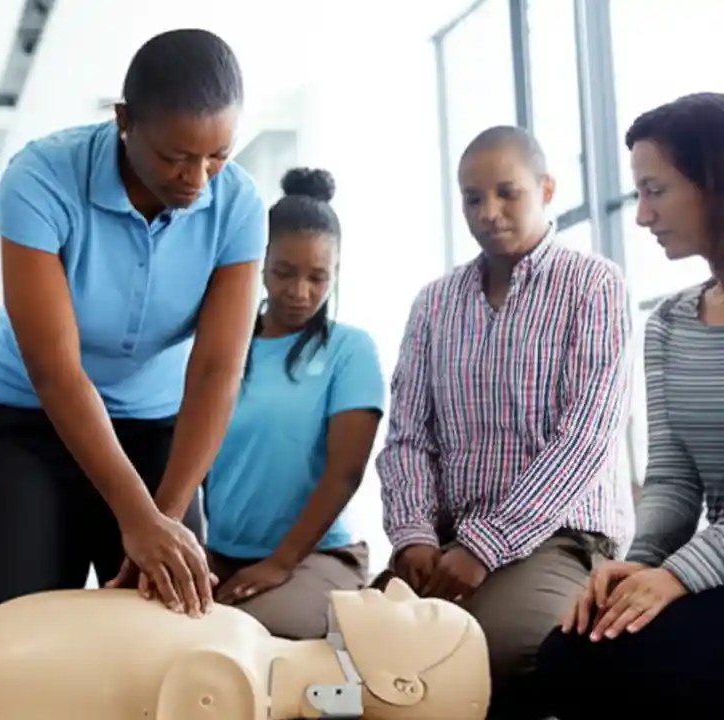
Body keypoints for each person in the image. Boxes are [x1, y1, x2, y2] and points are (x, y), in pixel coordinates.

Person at [0, 28, 266, 670]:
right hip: (25, 424)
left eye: (217, 157)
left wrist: (163, 520)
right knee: (9, 659)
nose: (197, 180)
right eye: (176, 157)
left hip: (156, 433)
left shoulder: (238, 205)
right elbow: (56, 370)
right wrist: (136, 516)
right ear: (125, 121)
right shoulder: (42, 177)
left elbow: (216, 370)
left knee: (175, 654)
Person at [375, 125, 633, 719]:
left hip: (559, 538)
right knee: (362, 647)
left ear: (546, 189)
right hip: (447, 539)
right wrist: (413, 534)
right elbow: (408, 437)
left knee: (490, 647)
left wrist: (484, 546)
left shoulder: (594, 285)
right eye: (473, 198)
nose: (488, 213)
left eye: (507, 193)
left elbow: (586, 438)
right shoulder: (434, 304)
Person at [536, 92, 724, 718]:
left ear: (713, 182)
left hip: (708, 569)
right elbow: (672, 479)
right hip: (715, 567)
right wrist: (635, 567)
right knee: (571, 655)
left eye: (656, 191)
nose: (642, 215)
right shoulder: (671, 321)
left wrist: (678, 575)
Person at [203, 168, 383, 639]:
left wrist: (281, 562)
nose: (300, 292)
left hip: (315, 556)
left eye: (318, 278)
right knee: (164, 626)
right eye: (284, 273)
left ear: (335, 274)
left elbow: (345, 472)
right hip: (222, 553)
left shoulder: (350, 350)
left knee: (253, 631)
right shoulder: (225, 346)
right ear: (261, 262)